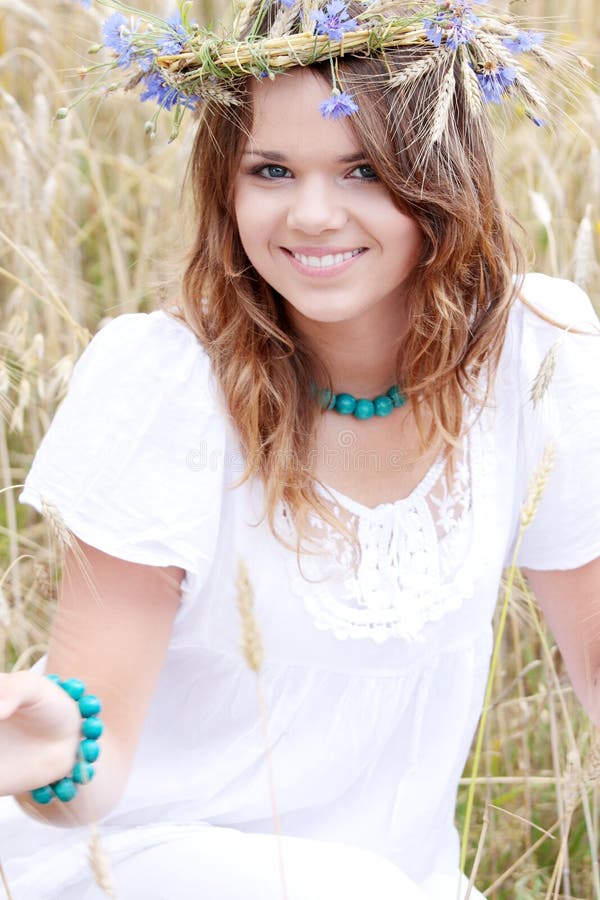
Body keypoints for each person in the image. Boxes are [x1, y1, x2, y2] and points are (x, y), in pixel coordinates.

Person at [0, 1, 599, 897]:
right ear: (226, 189)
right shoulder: (164, 385)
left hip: (403, 882)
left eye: (363, 171)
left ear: (440, 182)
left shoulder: (537, 352)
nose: (313, 214)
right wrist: (51, 744)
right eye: (271, 170)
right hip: (149, 861)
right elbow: (97, 772)